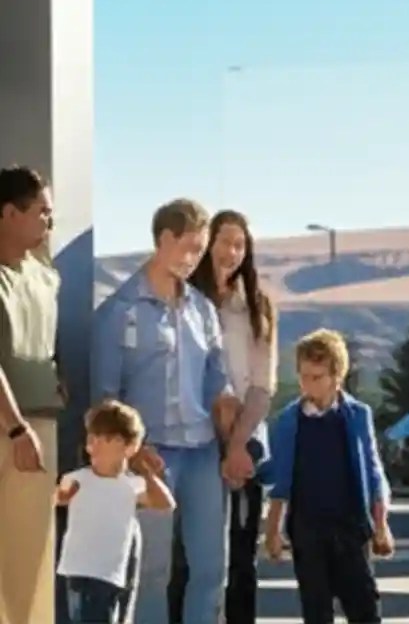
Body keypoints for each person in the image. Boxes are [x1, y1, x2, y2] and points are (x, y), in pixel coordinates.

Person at [92, 198, 237, 624]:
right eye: (190, 247)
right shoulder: (119, 312)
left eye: (200, 250)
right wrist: (133, 453)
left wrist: (234, 432)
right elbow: (105, 398)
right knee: (151, 572)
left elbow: (217, 381)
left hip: (202, 452)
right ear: (164, 239)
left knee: (211, 569)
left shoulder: (202, 311)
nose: (194, 259)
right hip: (149, 456)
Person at [170, 209, 277, 624]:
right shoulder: (183, 299)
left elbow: (262, 386)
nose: (231, 252)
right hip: (192, 438)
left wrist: (237, 444)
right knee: (187, 559)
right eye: (224, 242)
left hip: (243, 438)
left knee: (239, 559)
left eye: (239, 245)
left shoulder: (257, 307)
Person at [264, 329, 394, 624]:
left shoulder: (357, 415)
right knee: (316, 609)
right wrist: (273, 531)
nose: (308, 384)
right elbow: (280, 481)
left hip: (350, 526)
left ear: (337, 377)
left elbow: (373, 471)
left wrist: (381, 524)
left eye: (317, 377)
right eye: (303, 376)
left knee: (364, 606)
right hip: (307, 529)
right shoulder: (289, 420)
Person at [0, 165, 61, 624]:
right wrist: (15, 428)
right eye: (42, 212)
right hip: (14, 428)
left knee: (32, 564)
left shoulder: (45, 276)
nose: (49, 222)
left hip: (39, 428)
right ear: (8, 213)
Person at [56, 400, 176, 624]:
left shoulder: (131, 485)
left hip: (110, 573)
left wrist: (147, 473)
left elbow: (166, 503)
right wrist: (62, 497)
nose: (95, 443)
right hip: (78, 570)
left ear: (128, 447)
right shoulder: (77, 479)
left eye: (106, 438)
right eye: (92, 436)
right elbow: (57, 498)